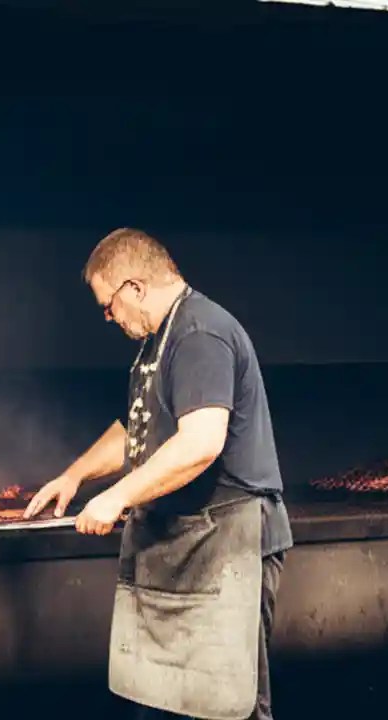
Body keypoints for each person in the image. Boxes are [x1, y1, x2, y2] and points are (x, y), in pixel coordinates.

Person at [23, 228, 293, 720]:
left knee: (226, 708)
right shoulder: (158, 342)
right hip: (186, 548)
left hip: (229, 546)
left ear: (135, 287)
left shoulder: (198, 333)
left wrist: (116, 498)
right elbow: (136, 429)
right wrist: (75, 477)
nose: (110, 318)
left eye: (109, 306)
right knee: (165, 706)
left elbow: (201, 442)